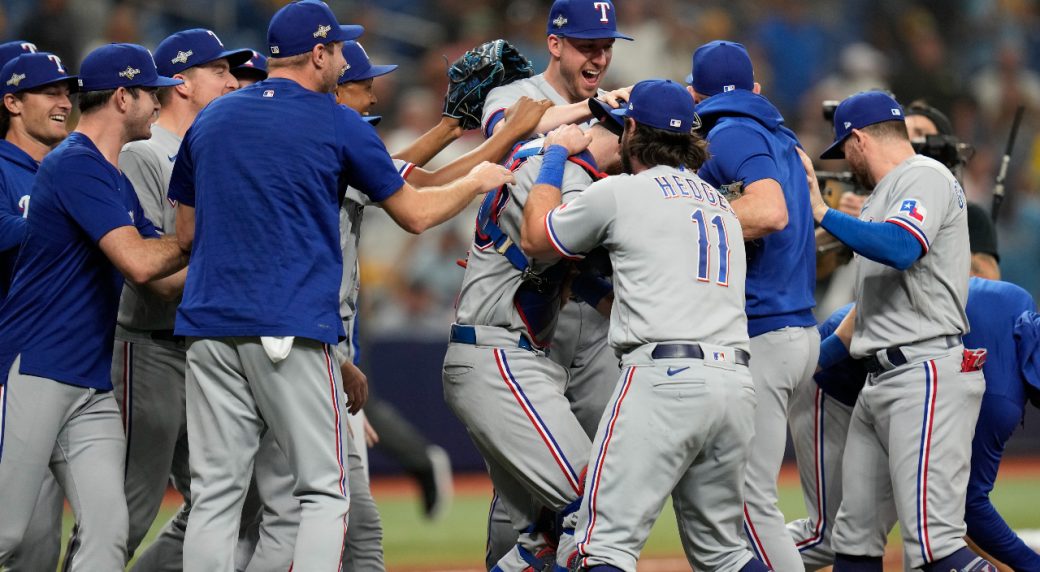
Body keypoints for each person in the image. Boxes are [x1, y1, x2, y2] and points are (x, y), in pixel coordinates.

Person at [168, 2, 513, 569]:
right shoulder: (335, 120)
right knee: (325, 492)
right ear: (319, 54)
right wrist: (476, 180)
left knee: (214, 496)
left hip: (206, 325)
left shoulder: (213, 118)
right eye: (337, 49)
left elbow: (186, 233)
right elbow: (416, 215)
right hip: (289, 326)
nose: (345, 61)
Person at [520, 78, 766, 572]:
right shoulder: (719, 202)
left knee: (602, 546)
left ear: (631, 128)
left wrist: (553, 156)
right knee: (725, 554)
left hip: (664, 377)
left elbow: (536, 239)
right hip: (735, 383)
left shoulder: (621, 192)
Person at [0, 42, 186, 570]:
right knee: (8, 533)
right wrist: (198, 236)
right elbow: (140, 263)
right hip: (35, 368)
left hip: (90, 383)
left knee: (107, 533)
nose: (159, 103)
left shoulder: (113, 178)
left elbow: (164, 283)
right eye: (150, 92)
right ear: (123, 97)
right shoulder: (75, 164)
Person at [787, 203, 1040, 571]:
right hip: (836, 377)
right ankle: (736, 560)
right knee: (831, 537)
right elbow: (970, 506)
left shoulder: (1017, 301)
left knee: (868, 534)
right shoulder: (1002, 395)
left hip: (888, 378)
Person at [805, 90, 995, 572]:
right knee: (853, 540)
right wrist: (808, 364)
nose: (845, 162)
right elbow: (868, 315)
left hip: (924, 371)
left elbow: (902, 247)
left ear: (859, 139)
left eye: (844, 149)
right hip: (882, 378)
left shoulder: (924, 175)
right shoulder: (883, 195)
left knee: (934, 546)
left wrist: (824, 213)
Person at [478, 2, 633, 562]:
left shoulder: (617, 111)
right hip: (527, 311)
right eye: (587, 45)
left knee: (597, 478)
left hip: (594, 314)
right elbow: (508, 134)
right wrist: (594, 109)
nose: (600, 57)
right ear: (555, 43)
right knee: (521, 493)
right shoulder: (516, 95)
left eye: (606, 46)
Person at [99, 28, 249, 569]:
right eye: (220, 71)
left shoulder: (207, 150)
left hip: (198, 348)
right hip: (147, 347)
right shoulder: (144, 152)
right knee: (127, 512)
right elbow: (150, 275)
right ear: (181, 83)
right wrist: (242, 264)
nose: (233, 82)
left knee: (230, 505)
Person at [684, 39, 819, 572]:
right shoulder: (778, 135)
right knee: (737, 495)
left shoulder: (731, 131)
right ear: (755, 89)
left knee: (748, 499)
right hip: (791, 328)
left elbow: (770, 213)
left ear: (694, 94)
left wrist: (681, 220)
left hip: (766, 331)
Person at [0, 49, 75, 572]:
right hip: (9, 365)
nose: (63, 101)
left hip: (61, 364)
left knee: (40, 543)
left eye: (66, 91)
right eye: (49, 91)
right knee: (13, 531)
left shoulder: (68, 167)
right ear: (11, 102)